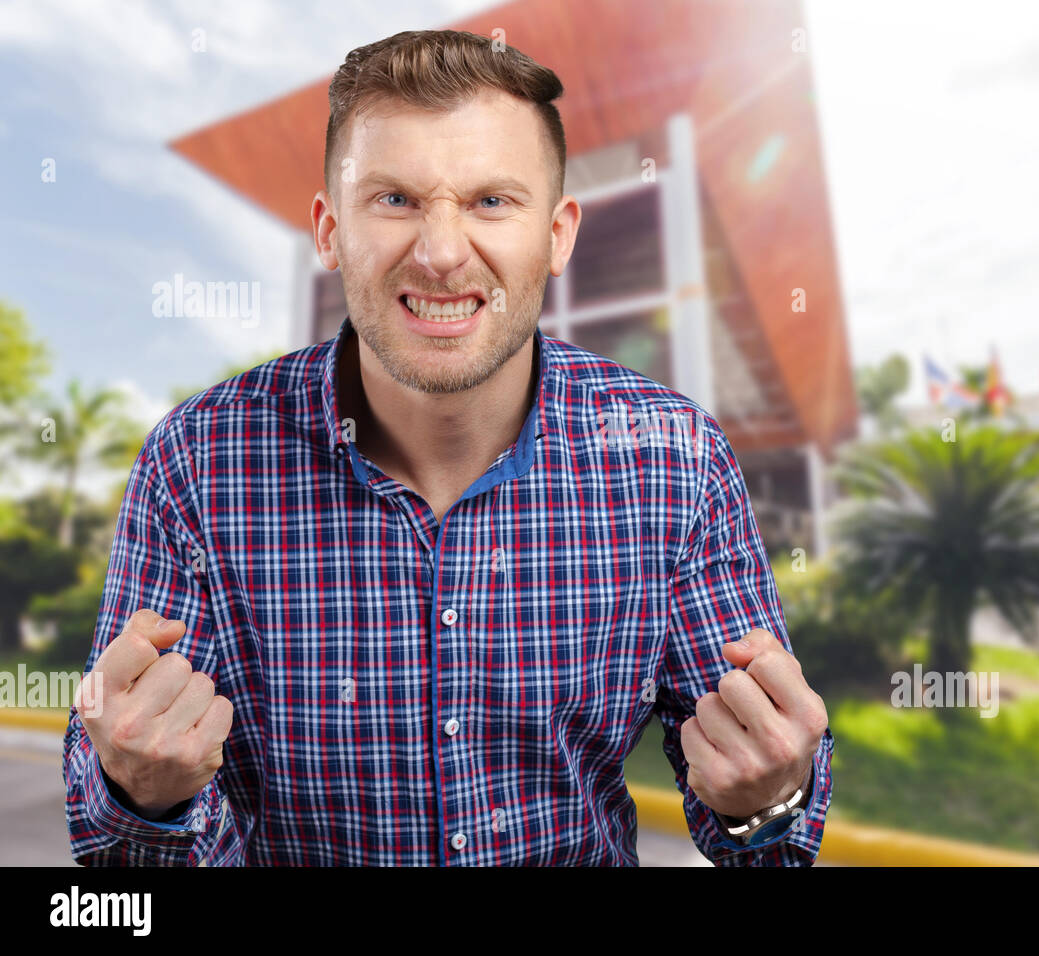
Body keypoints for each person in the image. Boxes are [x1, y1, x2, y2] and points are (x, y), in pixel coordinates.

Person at [63, 28, 833, 866]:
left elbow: (772, 845)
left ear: (558, 234)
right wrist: (143, 797)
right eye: (392, 199)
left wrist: (771, 803)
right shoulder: (195, 464)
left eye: (491, 202)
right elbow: (112, 855)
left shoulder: (672, 459)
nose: (438, 252)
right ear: (328, 230)